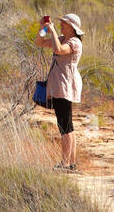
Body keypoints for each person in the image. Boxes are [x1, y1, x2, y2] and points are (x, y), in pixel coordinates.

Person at [35, 13, 83, 171]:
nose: (61, 24)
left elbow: (59, 50)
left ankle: (65, 163)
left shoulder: (74, 42)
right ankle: (71, 163)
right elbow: (39, 42)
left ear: (72, 26)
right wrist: (43, 28)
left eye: (64, 23)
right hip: (59, 86)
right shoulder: (63, 38)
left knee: (65, 126)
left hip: (65, 86)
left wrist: (53, 31)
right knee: (67, 125)